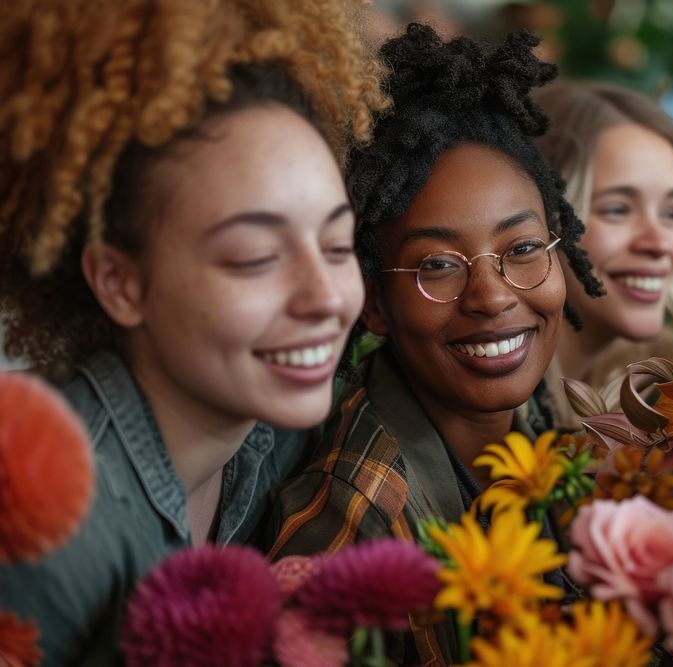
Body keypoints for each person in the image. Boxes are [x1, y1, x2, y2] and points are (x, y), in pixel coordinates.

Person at [0, 0, 385, 663]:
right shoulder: (45, 530)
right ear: (119, 282)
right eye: (254, 259)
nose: (325, 297)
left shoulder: (291, 433)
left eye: (338, 244)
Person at [264, 23, 603, 664]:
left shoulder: (547, 431)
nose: (492, 296)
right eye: (437, 266)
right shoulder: (352, 533)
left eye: (524, 249)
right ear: (375, 304)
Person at [533, 81, 673, 429]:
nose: (660, 243)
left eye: (671, 214)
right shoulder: (486, 407)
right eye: (617, 210)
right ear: (535, 222)